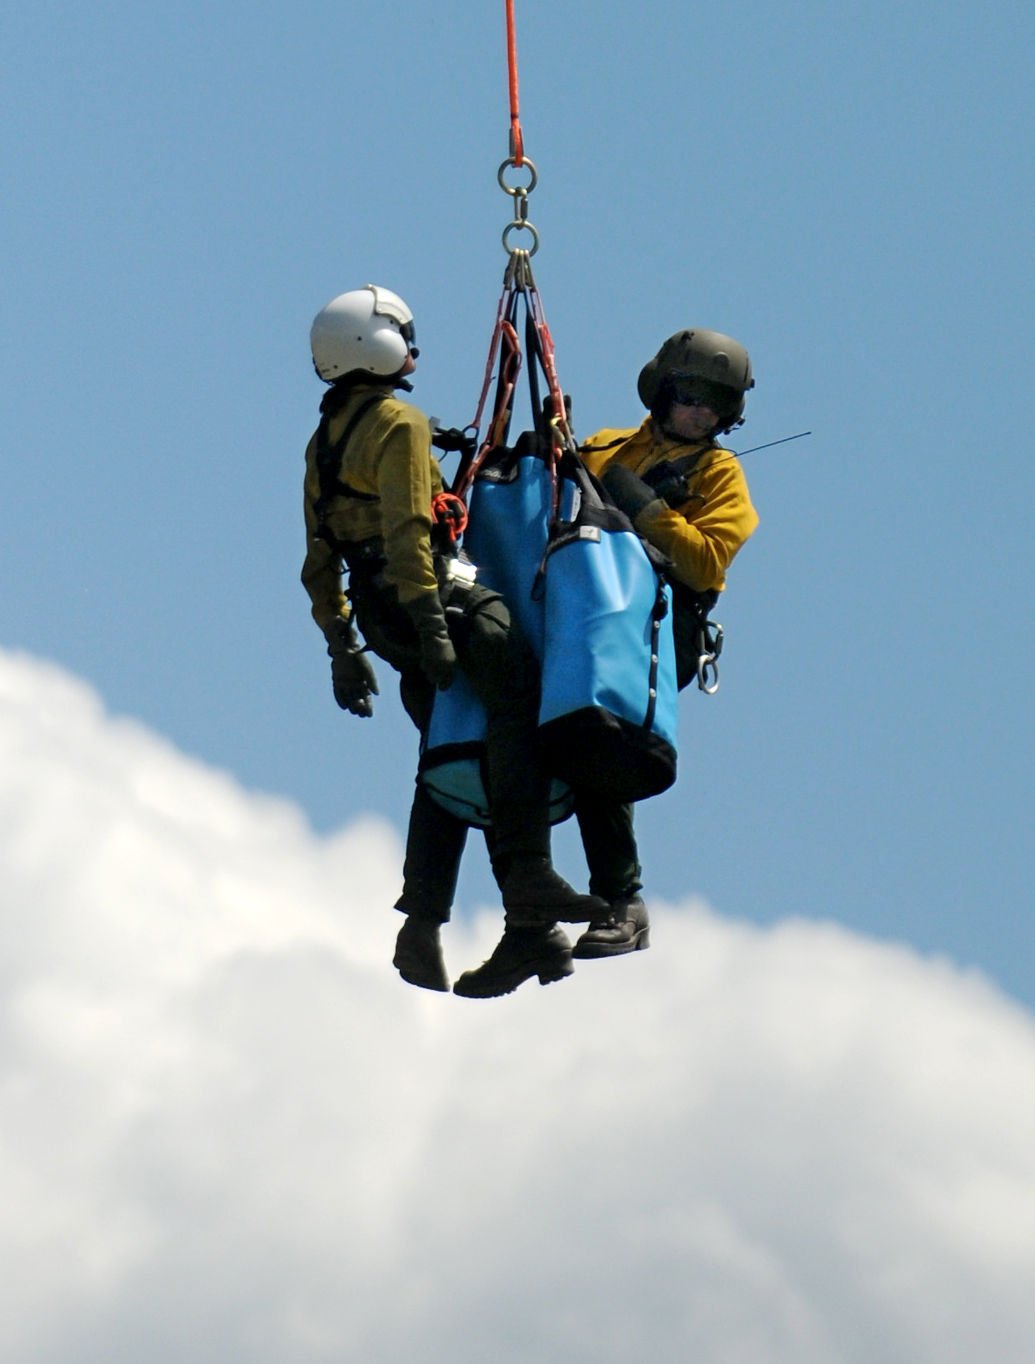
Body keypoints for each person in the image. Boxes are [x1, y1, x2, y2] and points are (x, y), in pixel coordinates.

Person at [301, 284, 604, 998]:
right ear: (377, 342)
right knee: (519, 702)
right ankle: (529, 880)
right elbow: (410, 532)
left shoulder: (328, 438)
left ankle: (433, 925)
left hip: (381, 620)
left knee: (449, 747)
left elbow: (318, 558)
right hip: (429, 601)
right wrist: (437, 627)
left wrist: (343, 650)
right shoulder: (395, 424)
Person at [571, 328, 760, 960]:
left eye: (718, 404)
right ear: (662, 391)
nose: (701, 412)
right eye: (691, 395)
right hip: (577, 613)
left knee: (599, 740)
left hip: (652, 629)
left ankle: (622, 903)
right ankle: (528, 904)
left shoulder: (720, 476)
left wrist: (647, 508)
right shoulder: (604, 446)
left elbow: (707, 562)